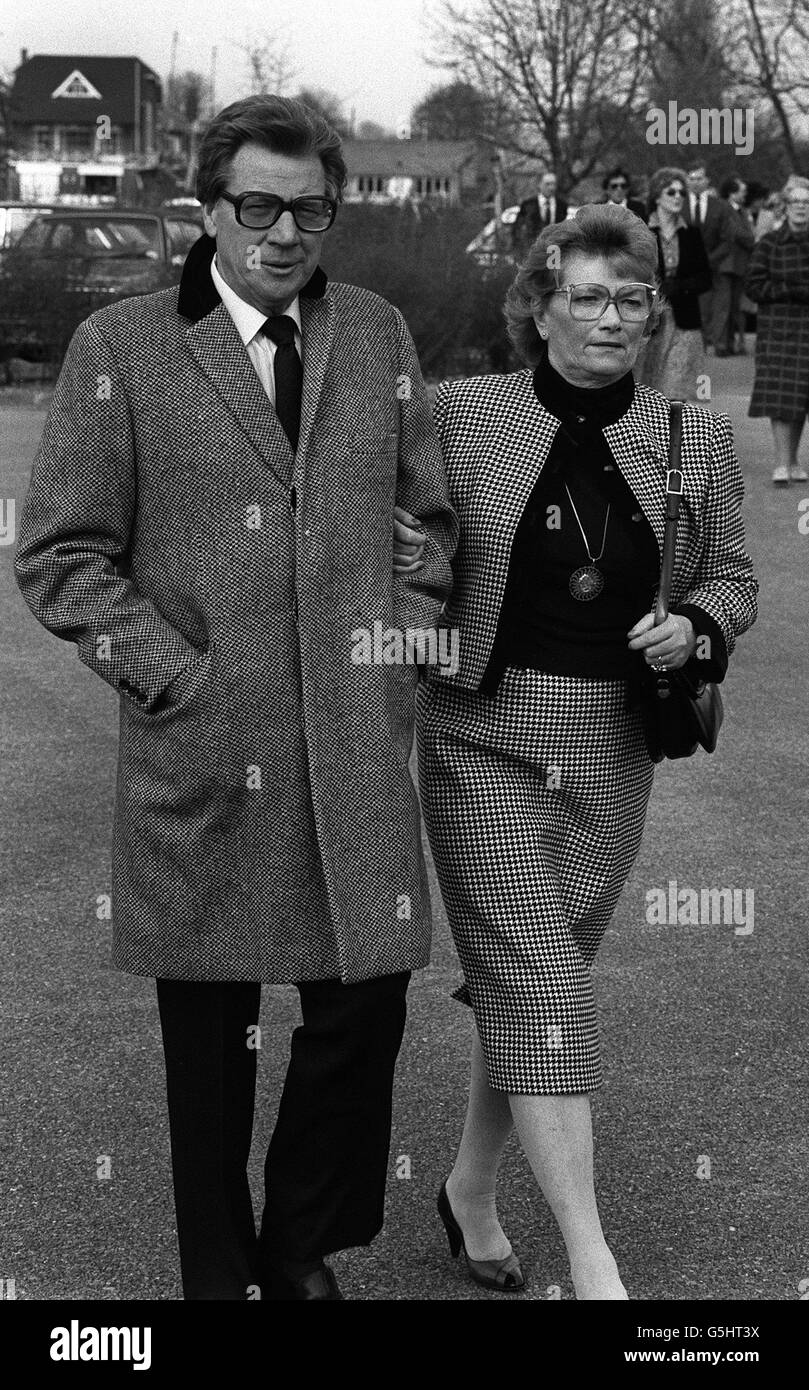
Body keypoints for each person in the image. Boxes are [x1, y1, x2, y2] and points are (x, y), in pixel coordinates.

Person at [14, 94, 457, 1302]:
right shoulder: (122, 348)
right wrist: (172, 676)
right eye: (256, 205)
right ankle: (216, 1273)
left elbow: (432, 524)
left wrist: (402, 649)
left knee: (361, 1013)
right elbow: (59, 554)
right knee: (208, 1045)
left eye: (309, 208)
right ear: (207, 210)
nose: (283, 230)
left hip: (354, 751)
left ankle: (298, 1243)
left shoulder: (374, 333)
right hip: (204, 748)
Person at [413, 204, 757, 1299]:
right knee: (539, 980)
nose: (613, 320)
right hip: (481, 736)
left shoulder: (687, 434)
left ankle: (468, 1190)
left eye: (633, 299)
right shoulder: (461, 415)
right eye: (587, 298)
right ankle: (593, 1265)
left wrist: (693, 626)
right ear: (535, 305)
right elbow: (392, 541)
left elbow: (733, 580)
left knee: (525, 990)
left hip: (613, 746)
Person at [745, 175, 809, 485]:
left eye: (806, 202)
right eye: (795, 202)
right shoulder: (768, 243)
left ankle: (794, 461)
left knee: (800, 398)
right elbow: (754, 287)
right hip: (778, 330)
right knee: (781, 398)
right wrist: (791, 289)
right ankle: (781, 463)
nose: (801, 208)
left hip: (806, 331)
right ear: (785, 207)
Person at [637, 167, 712, 399]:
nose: (678, 196)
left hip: (685, 321)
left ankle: (677, 435)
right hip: (651, 321)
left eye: (682, 192)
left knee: (678, 391)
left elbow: (705, 278)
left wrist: (680, 286)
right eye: (671, 192)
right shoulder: (642, 232)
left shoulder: (692, 234)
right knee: (647, 387)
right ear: (657, 196)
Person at [684, 163, 732, 348]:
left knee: (715, 305)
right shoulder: (678, 205)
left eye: (699, 179)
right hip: (686, 267)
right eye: (692, 179)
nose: (695, 183)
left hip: (713, 264)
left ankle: (714, 340)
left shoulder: (720, 206)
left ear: (707, 181)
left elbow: (727, 239)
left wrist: (709, 260)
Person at [712, 178, 755, 356]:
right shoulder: (724, 208)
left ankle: (729, 343)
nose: (744, 195)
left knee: (734, 307)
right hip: (726, 264)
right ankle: (721, 344)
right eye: (742, 191)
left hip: (738, 264)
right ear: (732, 193)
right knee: (723, 305)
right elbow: (738, 233)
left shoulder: (742, 211)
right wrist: (751, 239)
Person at [513, 171, 569, 256]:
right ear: (539, 185)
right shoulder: (528, 205)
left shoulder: (562, 205)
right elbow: (517, 228)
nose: (551, 188)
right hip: (532, 251)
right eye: (547, 184)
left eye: (553, 184)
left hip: (554, 252)